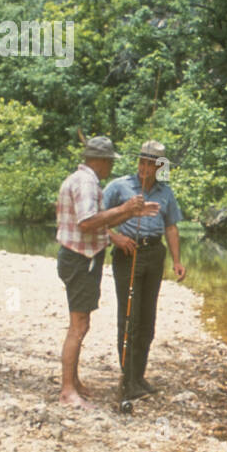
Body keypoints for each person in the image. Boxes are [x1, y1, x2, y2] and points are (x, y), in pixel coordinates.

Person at [56, 136, 159, 408]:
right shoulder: (87, 184)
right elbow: (88, 223)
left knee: (81, 323)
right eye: (110, 162)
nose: (111, 167)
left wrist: (130, 213)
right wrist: (125, 208)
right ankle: (67, 390)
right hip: (81, 260)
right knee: (78, 326)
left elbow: (100, 221)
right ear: (100, 161)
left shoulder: (80, 180)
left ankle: (74, 382)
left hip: (78, 259)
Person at [103, 140, 186, 403]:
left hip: (154, 254)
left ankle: (139, 376)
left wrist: (176, 260)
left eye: (150, 164)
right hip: (128, 253)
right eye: (141, 162)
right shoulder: (119, 187)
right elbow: (95, 218)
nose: (144, 168)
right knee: (130, 318)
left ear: (159, 167)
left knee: (147, 319)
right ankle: (127, 380)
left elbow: (171, 227)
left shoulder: (166, 192)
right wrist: (114, 239)